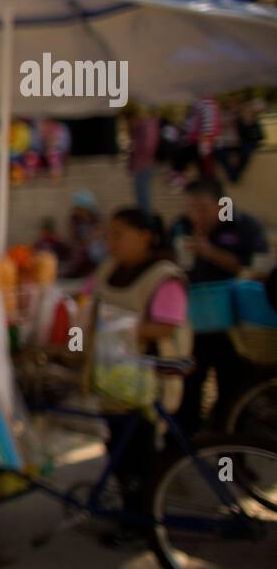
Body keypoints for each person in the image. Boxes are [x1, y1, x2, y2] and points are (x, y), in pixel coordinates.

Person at [87, 208, 191, 544]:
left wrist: (118, 327)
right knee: (119, 448)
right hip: (111, 382)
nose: (111, 242)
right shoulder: (109, 270)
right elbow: (89, 300)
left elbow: (167, 324)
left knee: (140, 455)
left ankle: (142, 523)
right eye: (109, 234)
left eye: (119, 234)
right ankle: (132, 511)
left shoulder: (164, 276)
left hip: (147, 385)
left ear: (145, 235)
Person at [169, 177, 269, 432]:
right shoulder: (182, 227)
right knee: (190, 382)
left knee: (233, 386)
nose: (196, 215)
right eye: (191, 208)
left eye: (202, 208)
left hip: (234, 323)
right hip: (195, 319)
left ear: (221, 204)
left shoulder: (243, 226)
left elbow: (256, 270)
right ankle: (185, 444)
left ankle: (231, 446)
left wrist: (211, 252)